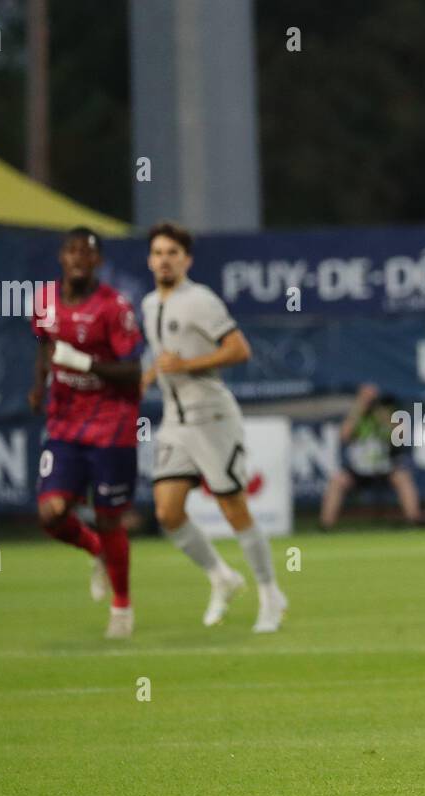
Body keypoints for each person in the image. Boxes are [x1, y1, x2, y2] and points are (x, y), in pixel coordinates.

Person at [140, 221, 287, 633]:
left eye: (172, 253)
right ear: (150, 260)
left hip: (211, 417)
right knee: (168, 512)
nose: (164, 260)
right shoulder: (150, 304)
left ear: (186, 259)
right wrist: (152, 375)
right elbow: (167, 354)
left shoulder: (200, 300)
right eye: (158, 252)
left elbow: (239, 349)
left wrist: (185, 366)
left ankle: (270, 592)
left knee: (231, 506)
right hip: (174, 420)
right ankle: (221, 577)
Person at [30, 227, 143, 639]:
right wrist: (38, 385)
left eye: (87, 252)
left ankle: (122, 608)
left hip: (112, 425)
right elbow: (44, 345)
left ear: (97, 261)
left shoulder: (114, 307)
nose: (79, 258)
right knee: (50, 513)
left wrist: (84, 363)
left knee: (109, 518)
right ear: (62, 256)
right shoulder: (44, 300)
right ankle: (96, 551)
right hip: (64, 423)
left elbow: (133, 371)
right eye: (72, 250)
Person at [320, 384, 422, 530]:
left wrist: (382, 412)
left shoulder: (389, 413)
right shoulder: (357, 416)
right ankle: (326, 525)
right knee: (337, 480)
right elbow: (344, 436)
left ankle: (414, 520)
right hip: (359, 469)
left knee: (402, 477)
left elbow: (400, 436)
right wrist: (360, 405)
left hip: (384, 468)